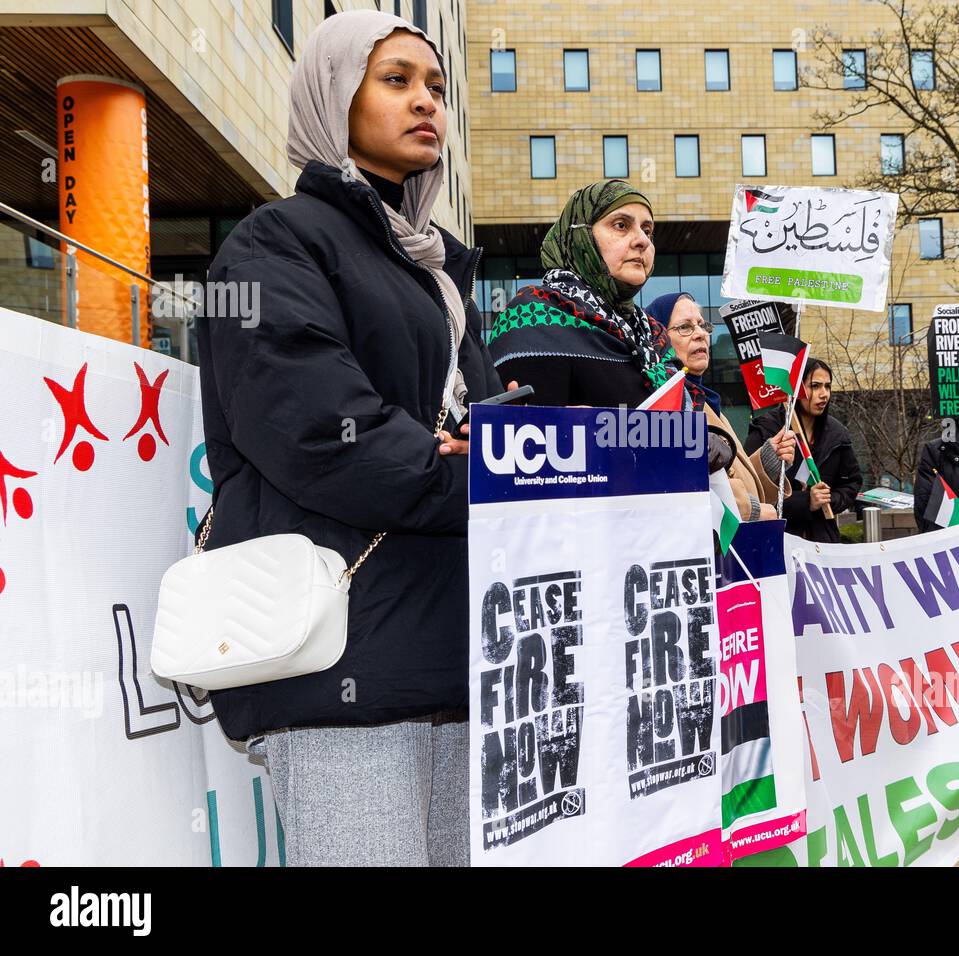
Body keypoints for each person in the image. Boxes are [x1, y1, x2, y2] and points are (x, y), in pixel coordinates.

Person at [196, 10, 501, 865]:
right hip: (337, 665)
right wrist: (481, 480)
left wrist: (502, 451)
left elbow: (455, 434)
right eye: (396, 80)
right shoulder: (268, 247)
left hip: (456, 659)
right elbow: (320, 434)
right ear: (334, 97)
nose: (426, 103)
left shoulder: (439, 275)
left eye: (436, 87)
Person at [487, 180, 680, 407]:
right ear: (580, 237)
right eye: (621, 225)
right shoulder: (533, 317)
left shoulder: (652, 334)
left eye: (647, 231)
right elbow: (522, 435)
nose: (643, 241)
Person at [647, 292, 794, 518]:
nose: (700, 334)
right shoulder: (668, 404)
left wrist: (768, 459)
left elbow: (732, 476)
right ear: (658, 338)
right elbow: (685, 492)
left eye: (702, 325)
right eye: (685, 327)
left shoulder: (708, 403)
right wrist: (750, 511)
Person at [745, 359, 863, 543]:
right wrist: (806, 501)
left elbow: (852, 482)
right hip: (778, 539)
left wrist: (828, 500)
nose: (823, 394)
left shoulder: (838, 434)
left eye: (827, 386)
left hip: (823, 542)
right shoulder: (766, 429)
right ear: (797, 389)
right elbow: (750, 488)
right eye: (814, 386)